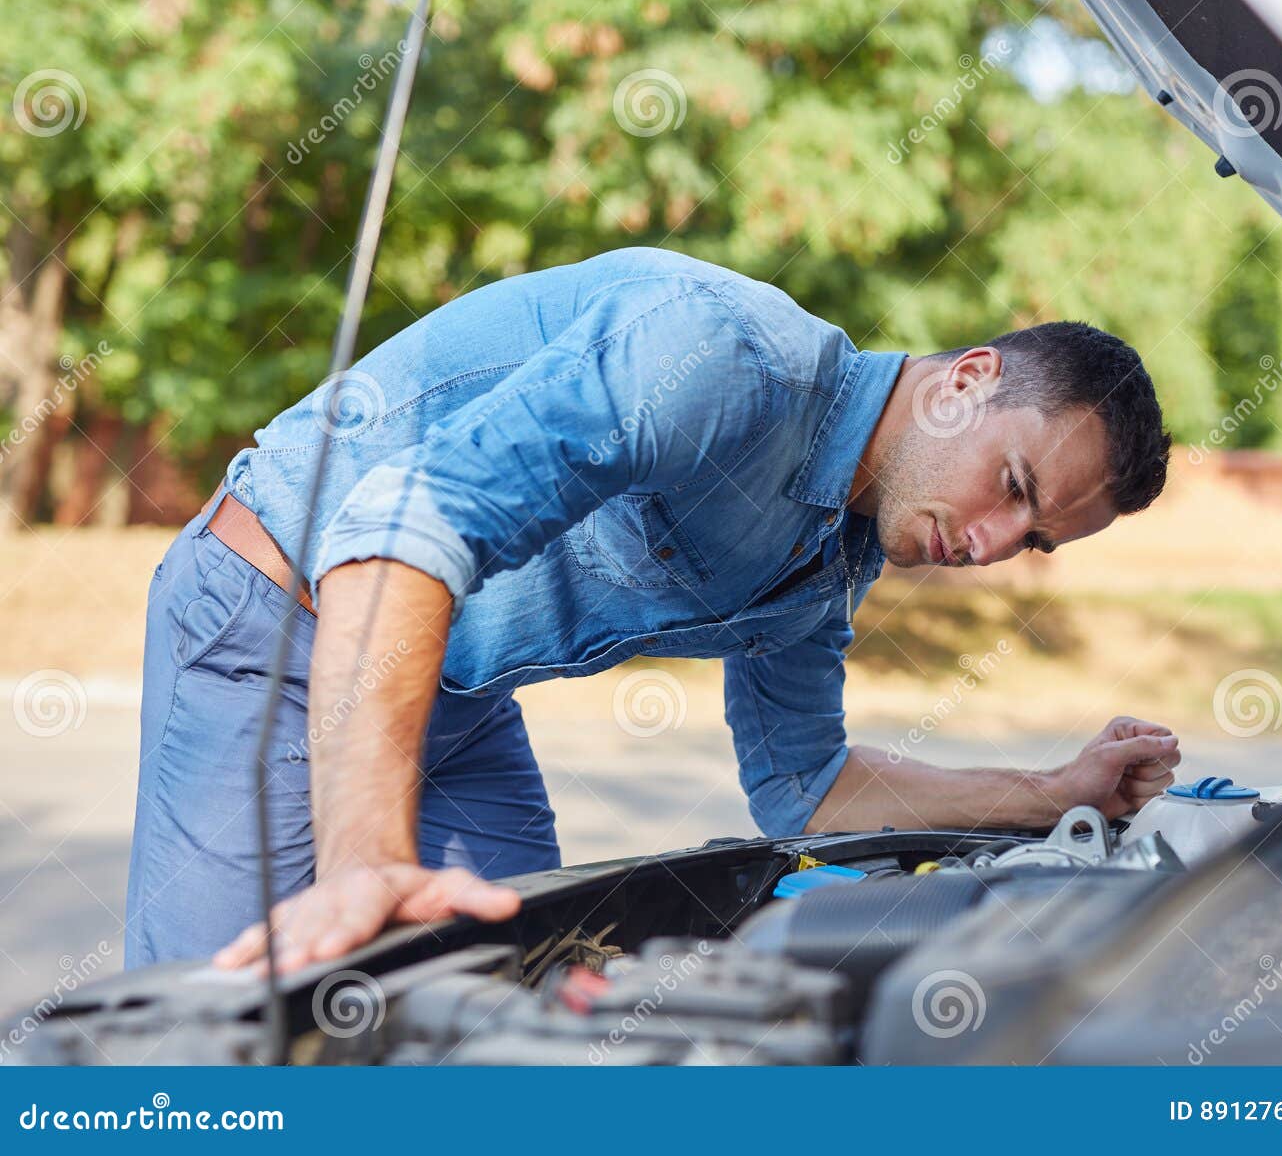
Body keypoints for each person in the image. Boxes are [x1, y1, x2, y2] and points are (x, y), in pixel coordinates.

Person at [123, 247, 1180, 971]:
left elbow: (806, 789)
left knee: (514, 985)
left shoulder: (833, 563)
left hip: (443, 676)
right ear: (967, 382)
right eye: (1014, 487)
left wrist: (1050, 791)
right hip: (276, 613)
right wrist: (368, 864)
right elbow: (393, 531)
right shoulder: (717, 358)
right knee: (213, 1033)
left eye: (1032, 540)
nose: (992, 547)